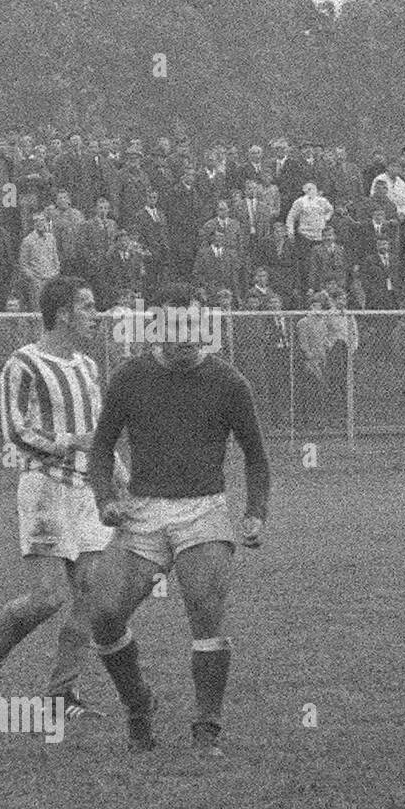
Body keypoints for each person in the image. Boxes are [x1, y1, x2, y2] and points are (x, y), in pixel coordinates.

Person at [85, 282, 271, 755]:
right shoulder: (131, 376)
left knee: (204, 612)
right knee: (104, 616)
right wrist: (106, 498)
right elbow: (102, 444)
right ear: (155, 328)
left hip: (203, 509)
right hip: (143, 512)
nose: (185, 336)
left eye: (194, 325)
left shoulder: (229, 382)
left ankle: (206, 727)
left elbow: (255, 454)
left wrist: (255, 513)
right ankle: (138, 704)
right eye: (174, 326)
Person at [0, 277, 116, 719]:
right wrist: (71, 443)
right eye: (87, 305)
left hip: (85, 491)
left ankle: (62, 693)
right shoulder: (23, 363)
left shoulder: (87, 365)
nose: (95, 313)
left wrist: (118, 475)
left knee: (92, 594)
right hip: (44, 488)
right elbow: (15, 431)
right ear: (63, 313)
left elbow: (98, 433)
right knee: (47, 598)